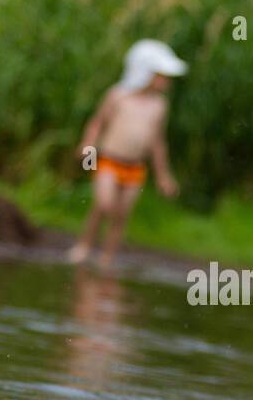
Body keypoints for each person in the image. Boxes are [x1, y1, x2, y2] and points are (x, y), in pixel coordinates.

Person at [67, 39, 187, 268]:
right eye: (161, 75)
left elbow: (158, 143)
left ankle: (106, 258)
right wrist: (88, 145)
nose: (167, 81)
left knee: (121, 215)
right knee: (104, 204)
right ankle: (84, 246)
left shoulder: (159, 105)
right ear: (144, 72)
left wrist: (163, 176)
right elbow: (97, 124)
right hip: (109, 161)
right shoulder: (118, 96)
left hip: (135, 168)